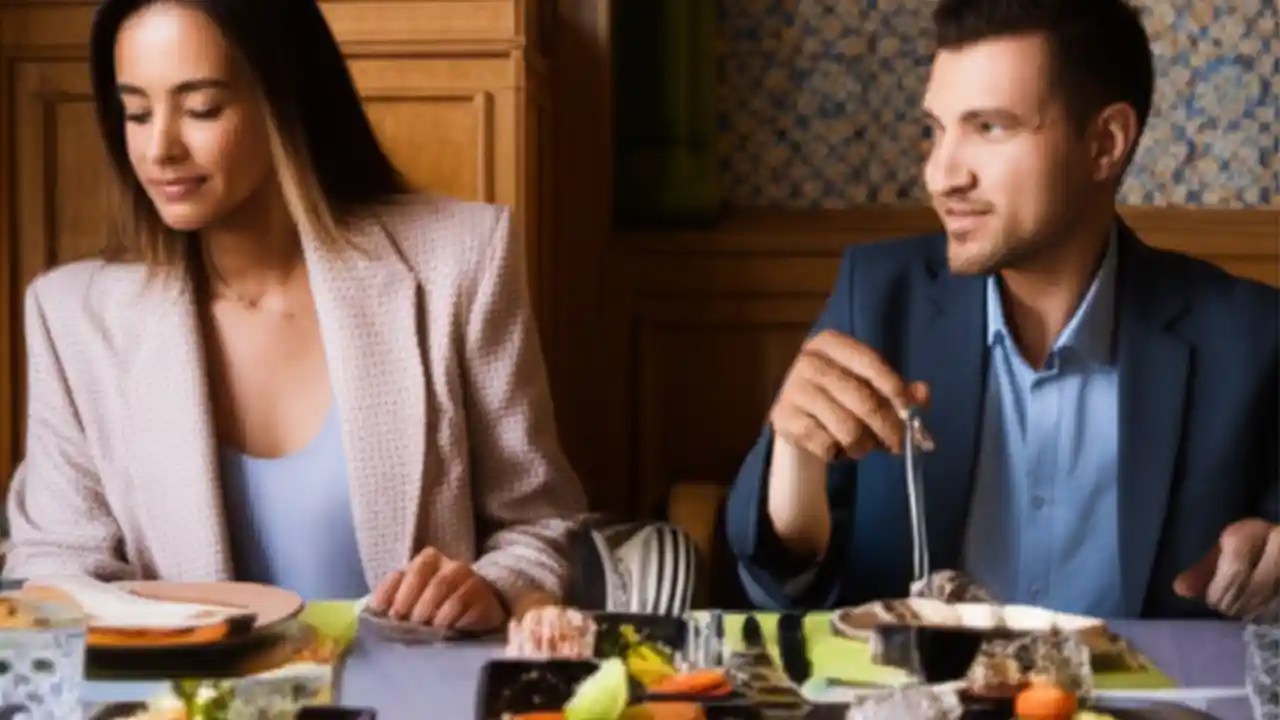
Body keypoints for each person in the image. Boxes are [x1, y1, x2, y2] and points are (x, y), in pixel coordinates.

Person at [3, 0, 588, 632]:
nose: (160, 147)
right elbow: (58, 563)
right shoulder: (72, 318)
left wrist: (493, 588)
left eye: (201, 108)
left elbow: (539, 523)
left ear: (288, 99)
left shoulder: (462, 262)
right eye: (137, 113)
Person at [725, 0, 1278, 620]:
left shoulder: (1248, 335)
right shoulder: (878, 295)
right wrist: (797, 452)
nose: (941, 175)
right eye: (937, 129)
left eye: (989, 127)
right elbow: (781, 574)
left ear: (1105, 144)